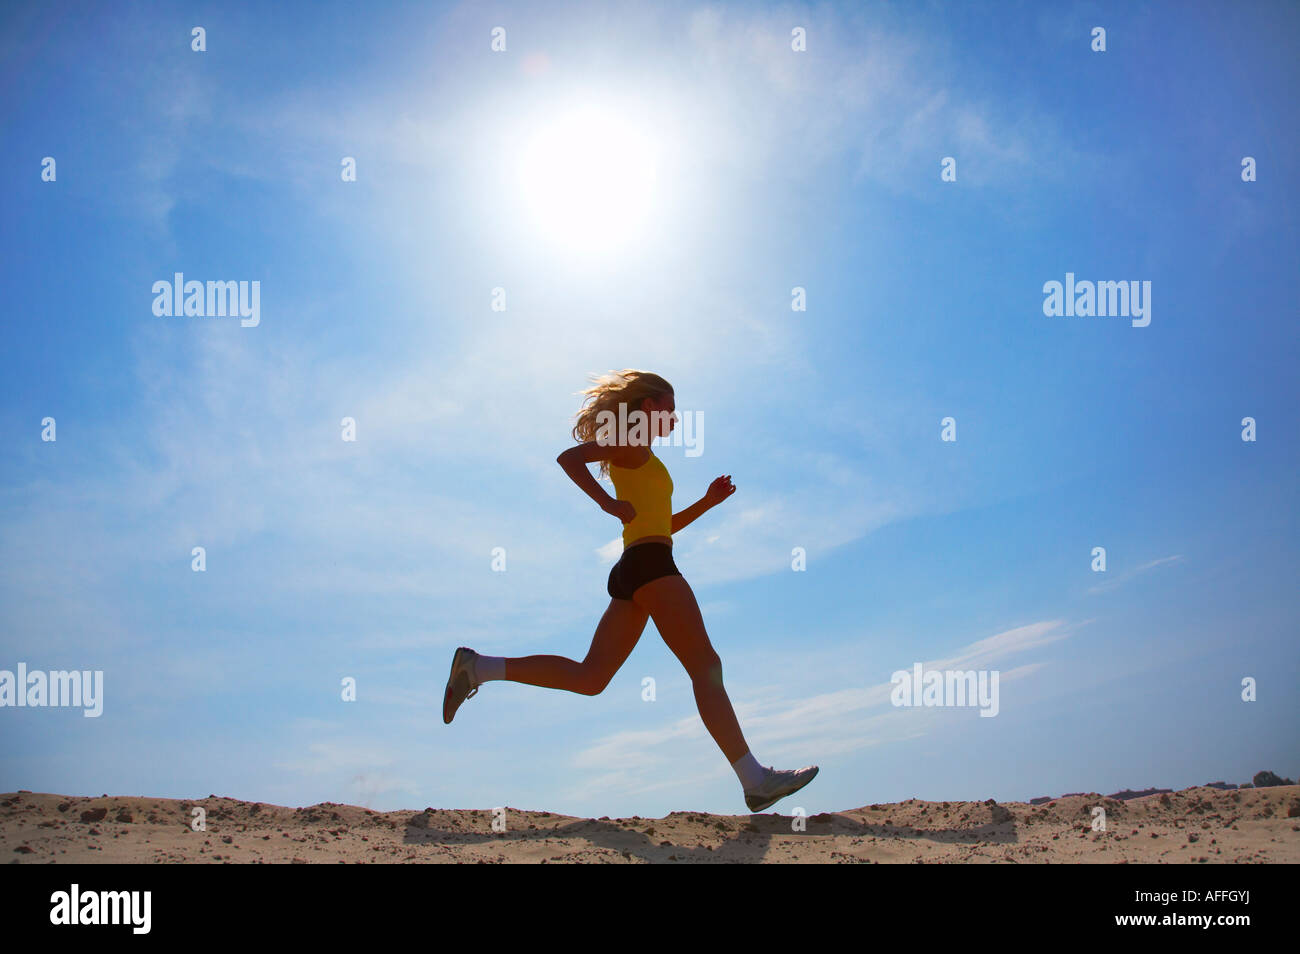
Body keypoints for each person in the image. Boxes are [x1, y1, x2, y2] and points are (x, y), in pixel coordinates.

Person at [443, 369, 817, 812]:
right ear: (646, 408)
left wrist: (707, 503)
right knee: (706, 665)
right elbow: (569, 458)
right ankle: (754, 779)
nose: (675, 418)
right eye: (670, 408)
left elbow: (662, 524)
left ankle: (478, 667)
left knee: (591, 677)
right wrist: (607, 503)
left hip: (638, 565)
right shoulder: (630, 441)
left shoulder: (646, 457)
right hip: (651, 567)